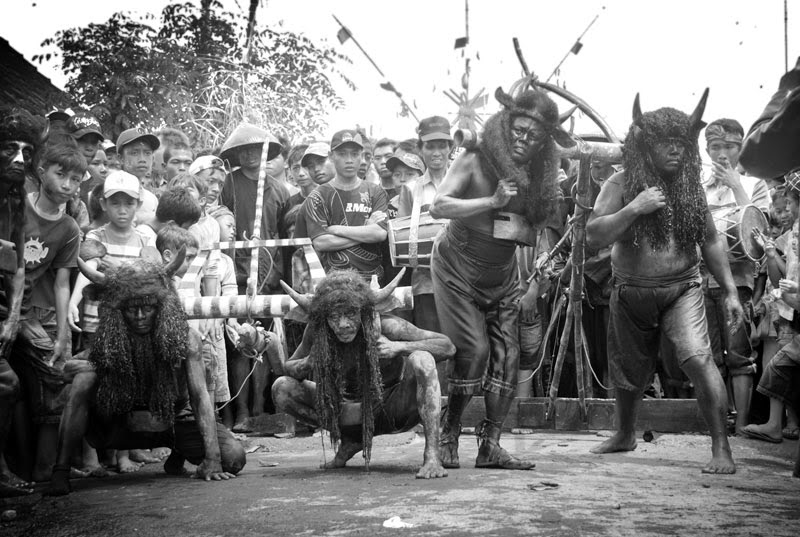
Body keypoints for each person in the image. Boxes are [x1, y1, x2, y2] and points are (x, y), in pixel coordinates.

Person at [585, 90, 742, 474]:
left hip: (682, 289)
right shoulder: (620, 184)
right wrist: (635, 207)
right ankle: (625, 434)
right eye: (665, 143)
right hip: (629, 289)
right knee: (626, 369)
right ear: (645, 145)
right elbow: (594, 234)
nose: (675, 150)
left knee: (698, 358)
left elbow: (708, 240)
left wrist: (732, 292)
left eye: (680, 143)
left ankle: (722, 447)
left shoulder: (690, 186)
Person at [429, 87, 575, 470]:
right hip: (456, 266)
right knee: (474, 352)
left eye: (534, 135)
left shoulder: (541, 173)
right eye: (518, 129)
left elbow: (536, 226)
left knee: (508, 358)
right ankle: (448, 434)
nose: (524, 140)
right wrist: (490, 202)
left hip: (504, 274)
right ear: (505, 124)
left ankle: (490, 445)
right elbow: (438, 205)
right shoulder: (474, 156)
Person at [46, 252, 246, 496]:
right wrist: (106, 364)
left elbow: (199, 396)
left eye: (148, 308)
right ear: (118, 311)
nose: (140, 317)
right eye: (131, 310)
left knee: (234, 459)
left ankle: (179, 452)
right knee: (84, 379)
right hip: (115, 424)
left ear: (162, 306)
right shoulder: (112, 337)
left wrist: (213, 458)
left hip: (172, 421)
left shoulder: (186, 339)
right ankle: (60, 469)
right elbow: (66, 370)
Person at [272, 270, 455, 478]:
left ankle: (432, 456)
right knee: (282, 388)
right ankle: (351, 439)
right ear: (324, 317)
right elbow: (290, 367)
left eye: (350, 314)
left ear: (364, 312)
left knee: (423, 359)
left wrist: (397, 347)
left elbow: (446, 346)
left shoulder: (386, 326)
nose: (342, 324)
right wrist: (308, 362)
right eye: (334, 316)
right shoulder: (318, 331)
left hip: (391, 408)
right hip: (343, 410)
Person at [11, 143, 84, 482]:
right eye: (61, 175)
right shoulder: (15, 208)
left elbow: (62, 283)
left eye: (75, 178)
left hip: (38, 315)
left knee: (54, 382)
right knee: (13, 389)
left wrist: (64, 335)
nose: (68, 184)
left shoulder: (69, 228)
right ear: (40, 172)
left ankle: (45, 468)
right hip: (9, 308)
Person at [703, 118, 768, 435]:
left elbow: (760, 233)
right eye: (715, 147)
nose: (722, 153)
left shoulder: (756, 184)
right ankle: (720, 422)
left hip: (739, 284)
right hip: (703, 282)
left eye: (729, 146)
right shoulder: (700, 188)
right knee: (710, 357)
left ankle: (742, 425)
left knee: (740, 356)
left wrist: (735, 184)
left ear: (740, 147)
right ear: (707, 150)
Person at [0, 107, 44, 497]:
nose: (19, 158)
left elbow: (16, 266)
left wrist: (12, 318)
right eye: (10, 148)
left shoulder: (15, 203)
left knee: (16, 384)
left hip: (3, 309)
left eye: (27, 151)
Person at [303, 130, 389, 281]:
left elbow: (380, 234)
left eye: (354, 153)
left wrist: (337, 229)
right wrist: (366, 230)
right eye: (342, 154)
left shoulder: (376, 192)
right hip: (333, 283)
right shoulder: (318, 196)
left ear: (362, 156)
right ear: (331, 157)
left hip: (373, 281)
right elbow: (321, 242)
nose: (349, 160)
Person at [219, 123, 291, 294]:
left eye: (254, 148)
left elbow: (283, 234)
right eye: (243, 150)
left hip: (272, 271)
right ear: (236, 154)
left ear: (263, 151)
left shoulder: (279, 190)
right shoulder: (227, 184)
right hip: (237, 272)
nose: (249, 154)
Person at [115, 128, 161, 223]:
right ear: (120, 159)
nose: (142, 159)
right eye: (134, 153)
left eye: (147, 153)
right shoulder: (110, 193)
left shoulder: (151, 199)